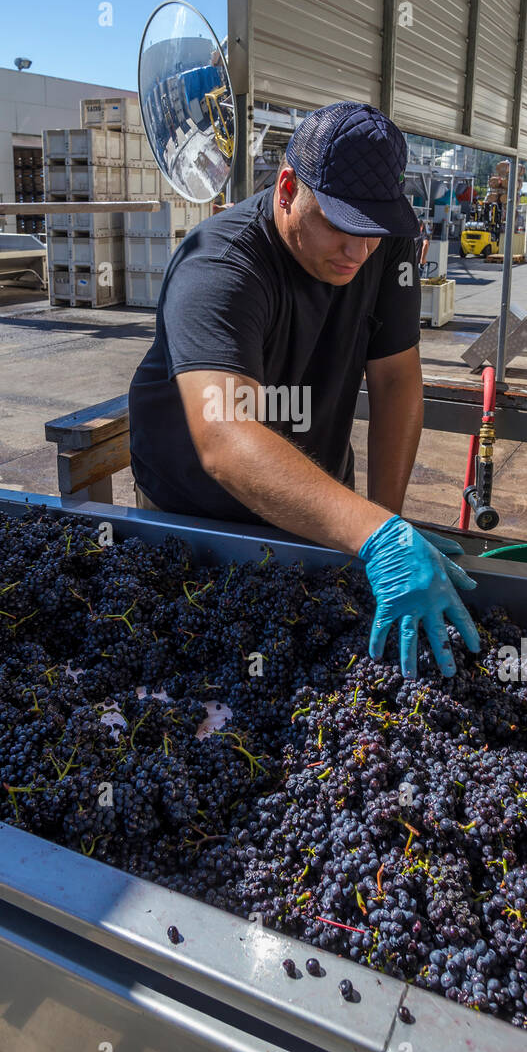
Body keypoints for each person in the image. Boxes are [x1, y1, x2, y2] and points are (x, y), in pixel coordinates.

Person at [129, 101, 480, 678]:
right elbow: (226, 434)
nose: (357, 252)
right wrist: (374, 533)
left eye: (372, 231)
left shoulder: (378, 240)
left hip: (319, 502)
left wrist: (382, 525)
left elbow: (395, 379)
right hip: (201, 516)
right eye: (339, 225)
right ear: (288, 187)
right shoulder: (218, 265)